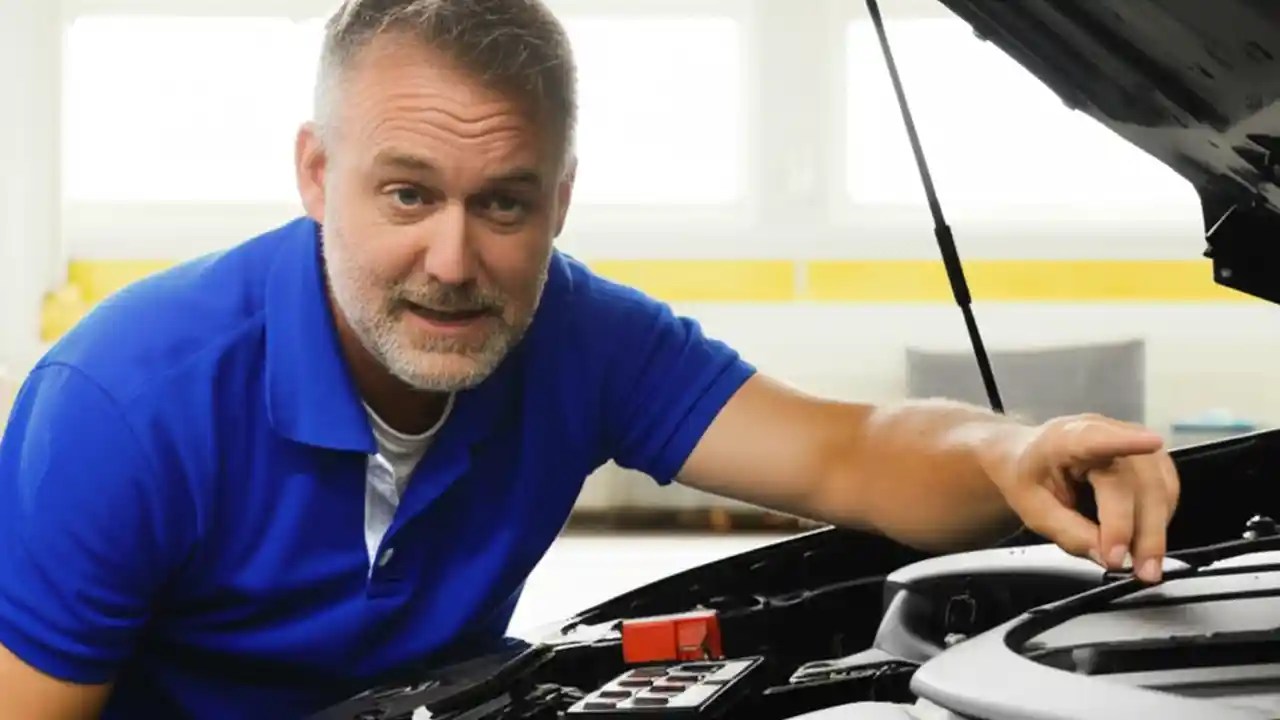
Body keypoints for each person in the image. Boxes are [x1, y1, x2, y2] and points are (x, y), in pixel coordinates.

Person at [0, 0, 1179, 717]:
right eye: (405, 193)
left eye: (503, 204)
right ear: (315, 173)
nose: (452, 261)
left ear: (560, 199)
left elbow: (849, 452)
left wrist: (1018, 449)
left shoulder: (578, 335)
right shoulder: (121, 404)